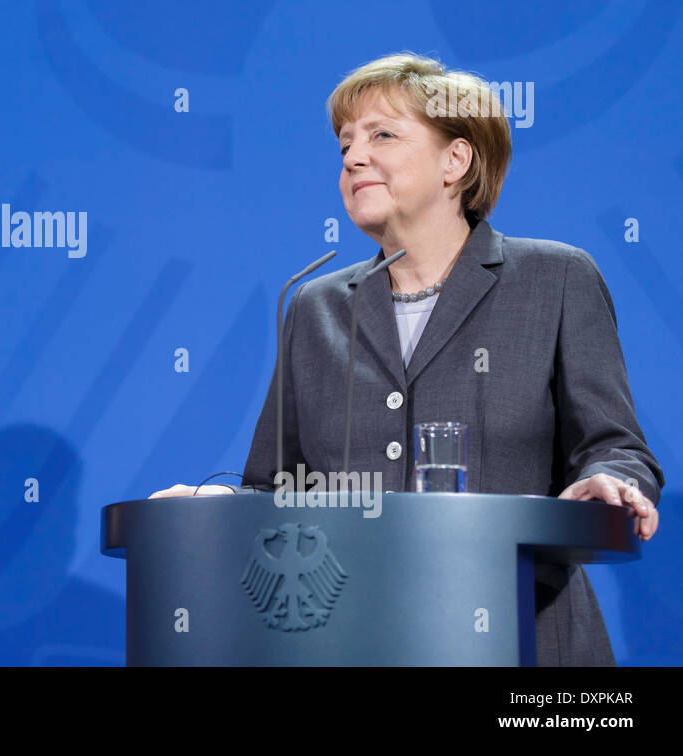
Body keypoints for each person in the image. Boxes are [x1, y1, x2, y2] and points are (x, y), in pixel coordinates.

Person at [153, 52, 663, 666]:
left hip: (525, 641)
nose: (352, 158)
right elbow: (275, 486)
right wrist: (216, 509)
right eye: (344, 143)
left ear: (457, 159)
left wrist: (612, 481)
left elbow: (616, 446)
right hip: (353, 642)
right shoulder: (315, 306)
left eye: (382, 135)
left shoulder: (554, 278)